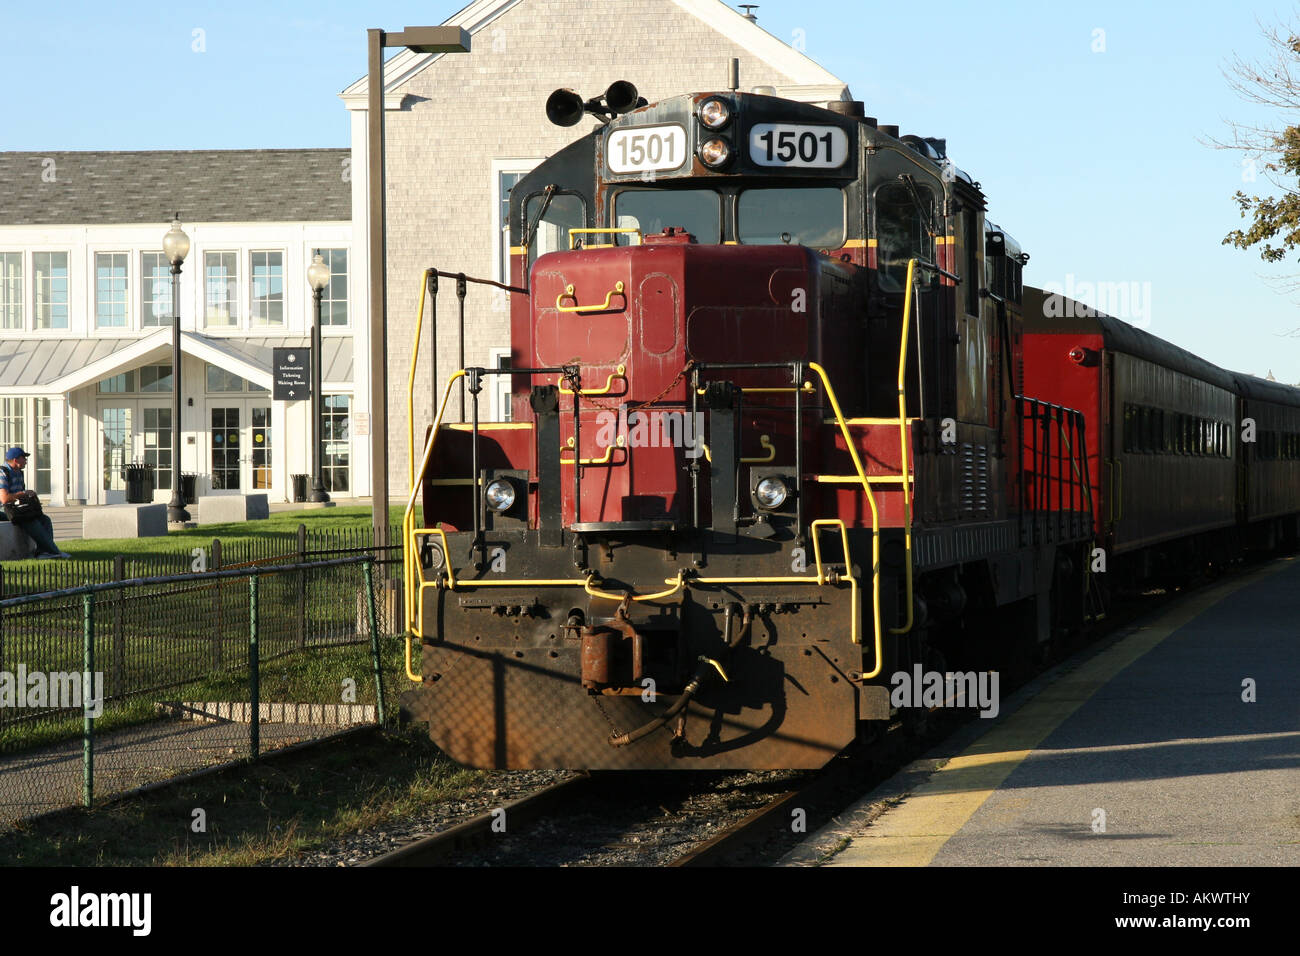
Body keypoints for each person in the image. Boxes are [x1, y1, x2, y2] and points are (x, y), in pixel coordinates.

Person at [0, 446, 69, 559]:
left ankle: (43, 552)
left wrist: (29, 497)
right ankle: (54, 551)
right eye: (24, 458)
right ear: (16, 460)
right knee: (29, 520)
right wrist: (24, 493)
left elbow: (19, 495)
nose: (26, 461)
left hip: (14, 508)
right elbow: (4, 499)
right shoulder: (2, 473)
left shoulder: (19, 473)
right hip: (3, 509)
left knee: (44, 519)